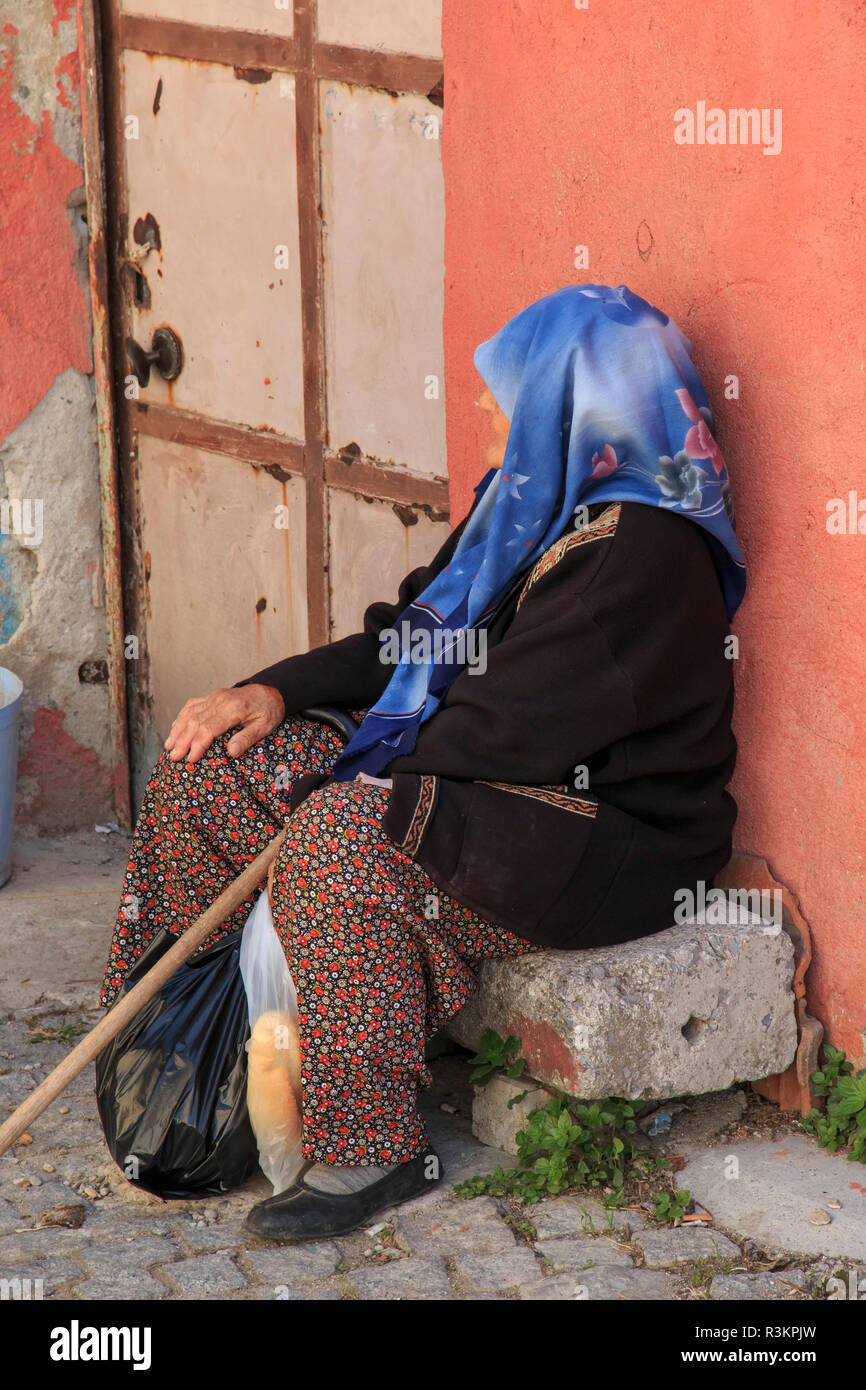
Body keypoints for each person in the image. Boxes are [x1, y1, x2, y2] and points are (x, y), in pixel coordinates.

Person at [99, 283, 746, 1242]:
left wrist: (337, 789)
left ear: (577, 401)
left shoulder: (646, 553)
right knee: (215, 768)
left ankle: (373, 1143)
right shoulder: (529, 505)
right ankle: (202, 1058)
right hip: (475, 770)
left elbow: (515, 729)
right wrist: (272, 692)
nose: (487, 404)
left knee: (343, 839)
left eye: (513, 389)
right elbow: (412, 638)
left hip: (603, 836)